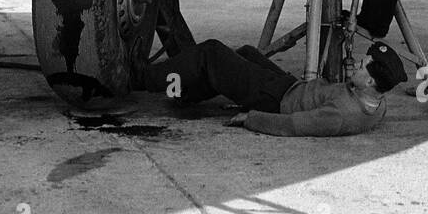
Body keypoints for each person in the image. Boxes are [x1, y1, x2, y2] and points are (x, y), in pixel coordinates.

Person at [136, 39, 406, 136]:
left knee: (212, 53)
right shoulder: (377, 103)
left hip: (274, 99)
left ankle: (140, 79)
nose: (357, 64)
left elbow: (294, 125)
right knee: (247, 52)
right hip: (291, 87)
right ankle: (186, 93)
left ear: (370, 81)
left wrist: (251, 118)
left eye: (362, 66)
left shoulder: (339, 116)